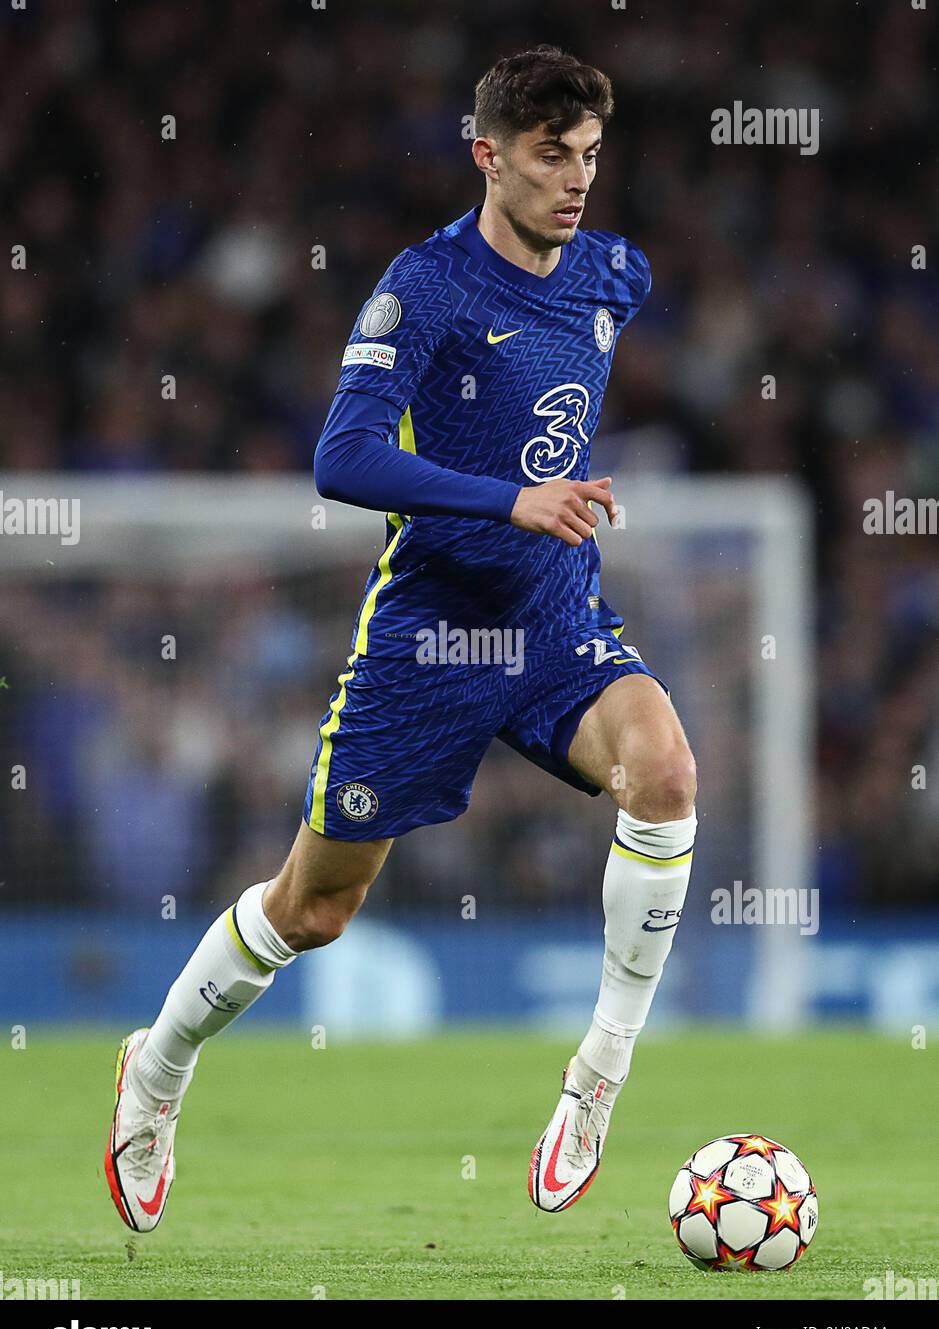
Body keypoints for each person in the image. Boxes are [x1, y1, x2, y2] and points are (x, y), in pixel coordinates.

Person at [104, 44, 697, 1232]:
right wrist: (511, 497)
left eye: (589, 156)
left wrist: (560, 501)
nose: (576, 181)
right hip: (428, 635)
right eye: (549, 156)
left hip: (555, 618)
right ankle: (156, 1069)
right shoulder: (423, 290)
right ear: (487, 155)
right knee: (312, 910)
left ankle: (595, 1084)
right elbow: (343, 458)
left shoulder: (614, 274)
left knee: (668, 771)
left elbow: (554, 399)